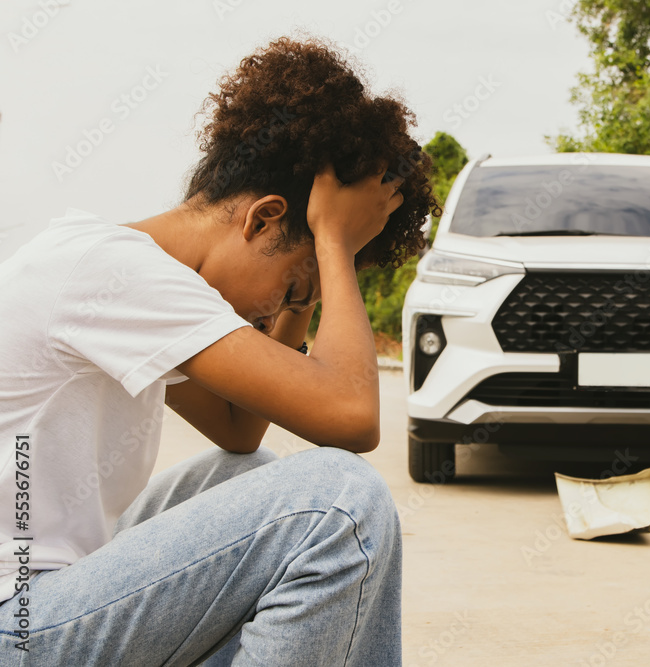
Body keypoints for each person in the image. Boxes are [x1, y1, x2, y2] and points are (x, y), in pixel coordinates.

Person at [0, 35, 439, 666]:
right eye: (291, 288)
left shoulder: (115, 265)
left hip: (38, 602)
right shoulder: (120, 274)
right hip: (19, 622)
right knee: (338, 502)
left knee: (245, 472)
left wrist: (308, 279)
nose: (276, 312)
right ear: (262, 219)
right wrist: (333, 244)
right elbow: (350, 417)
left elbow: (238, 429)